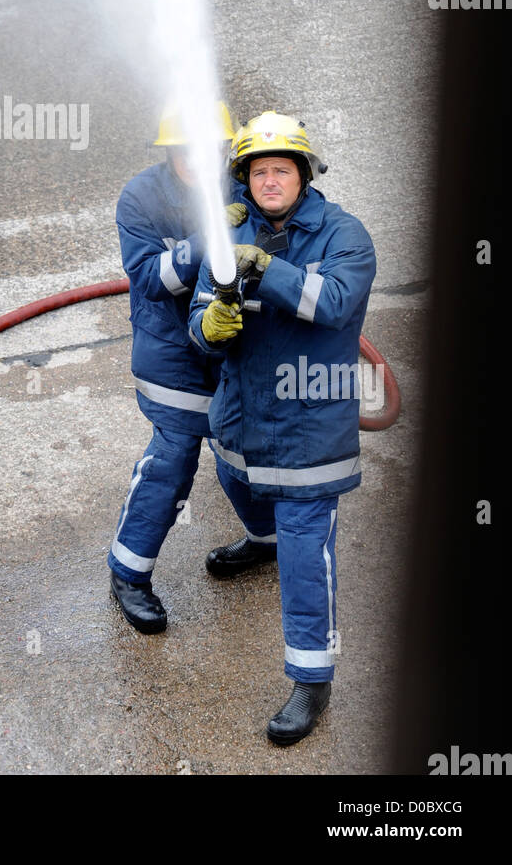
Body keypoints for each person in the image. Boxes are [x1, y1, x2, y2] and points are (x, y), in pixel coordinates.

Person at [188, 111, 376, 744]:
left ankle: (311, 678)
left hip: (309, 424)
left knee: (305, 548)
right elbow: (197, 312)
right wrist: (207, 325)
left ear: (304, 174)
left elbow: (334, 303)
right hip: (241, 414)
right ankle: (260, 540)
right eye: (258, 170)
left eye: (281, 169)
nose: (269, 180)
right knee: (237, 481)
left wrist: (265, 268)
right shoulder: (229, 230)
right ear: (245, 178)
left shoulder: (344, 234)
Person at [108, 102, 245, 633]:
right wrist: (204, 242)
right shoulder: (141, 197)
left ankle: (266, 540)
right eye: (187, 151)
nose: (200, 160)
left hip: (233, 349)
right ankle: (129, 570)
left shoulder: (242, 185)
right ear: (169, 152)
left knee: (243, 449)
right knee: (173, 458)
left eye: (211, 149)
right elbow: (150, 279)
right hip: (172, 356)